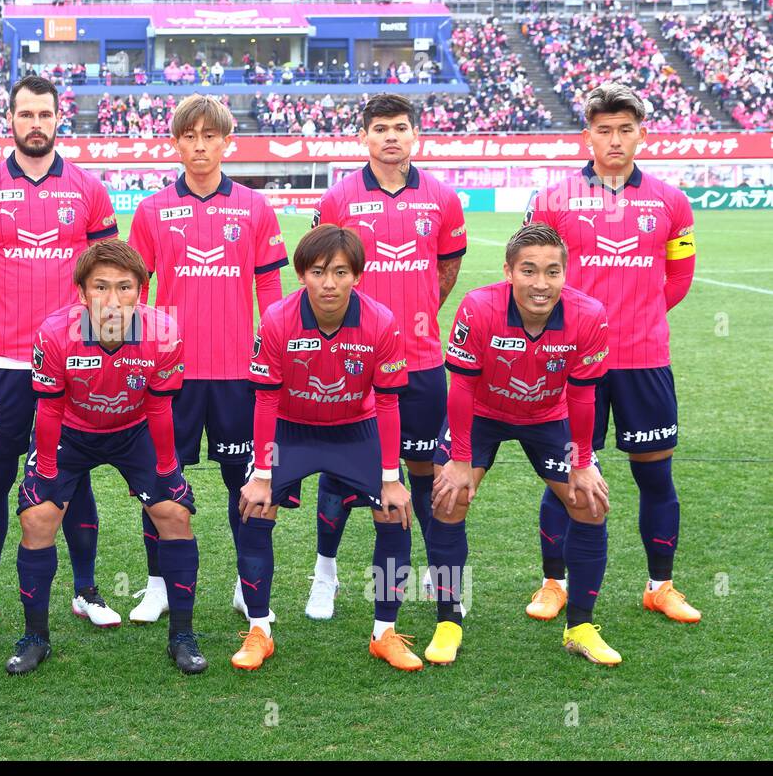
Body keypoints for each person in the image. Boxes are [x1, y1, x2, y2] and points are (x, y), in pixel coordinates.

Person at [525, 82, 699, 624]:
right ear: (588, 136)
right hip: (572, 363)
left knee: (655, 477)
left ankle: (660, 585)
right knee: (566, 475)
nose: (615, 139)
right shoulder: (552, 199)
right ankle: (555, 582)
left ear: (642, 134)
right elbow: (534, 274)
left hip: (645, 361)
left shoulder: (671, 200)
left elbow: (679, 276)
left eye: (626, 129)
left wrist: (636, 316)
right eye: (604, 130)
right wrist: (582, 329)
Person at [0, 76, 120, 632]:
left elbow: (104, 279)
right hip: (1, 361)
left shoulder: (88, 189)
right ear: (11, 120)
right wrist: (4, 314)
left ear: (57, 118)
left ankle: (87, 590)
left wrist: (70, 332)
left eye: (44, 114)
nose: (35, 123)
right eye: (25, 114)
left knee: (72, 476)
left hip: (75, 361)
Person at [127, 95, 287, 625]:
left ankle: (249, 582)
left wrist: (276, 346)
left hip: (239, 374)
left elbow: (270, 285)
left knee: (245, 480)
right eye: (189, 136)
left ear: (226, 141)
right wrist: (139, 355)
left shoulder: (254, 207)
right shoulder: (151, 211)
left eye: (209, 136)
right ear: (175, 143)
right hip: (171, 376)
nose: (200, 146)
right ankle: (158, 586)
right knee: (161, 481)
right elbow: (135, 292)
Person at [9, 241, 204, 675]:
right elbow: (50, 409)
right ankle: (35, 637)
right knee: (37, 518)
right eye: (100, 287)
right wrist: (43, 471)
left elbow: (159, 409)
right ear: (81, 293)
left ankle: (183, 636)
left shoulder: (163, 333)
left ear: (142, 290)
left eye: (124, 287)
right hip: (71, 431)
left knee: (174, 513)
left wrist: (169, 469)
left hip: (133, 430)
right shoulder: (55, 332)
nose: (113, 301)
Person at [427, 223, 616, 666]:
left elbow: (583, 395)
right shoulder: (478, 307)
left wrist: (583, 462)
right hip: (482, 413)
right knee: (448, 498)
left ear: (564, 275)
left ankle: (581, 625)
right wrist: (458, 460)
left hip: (549, 415)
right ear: (508, 271)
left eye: (552, 272)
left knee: (589, 502)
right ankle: (448, 621)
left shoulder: (588, 315)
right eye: (528, 271)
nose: (541, 283)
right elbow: (463, 390)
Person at [237, 225, 418, 672]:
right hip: (290, 429)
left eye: (340, 271)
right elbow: (265, 398)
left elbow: (390, 402)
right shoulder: (278, 319)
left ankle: (385, 633)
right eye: (319, 271)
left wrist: (391, 479)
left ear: (357, 274)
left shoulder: (380, 321)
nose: (330, 283)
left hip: (355, 429)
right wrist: (262, 474)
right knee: (256, 510)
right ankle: (259, 629)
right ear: (302, 275)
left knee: (394, 514)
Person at [312, 94, 466, 619]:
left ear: (415, 135)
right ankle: (324, 574)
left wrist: (416, 314)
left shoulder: (442, 197)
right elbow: (321, 276)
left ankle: (434, 572)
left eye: (400, 127)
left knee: (425, 471)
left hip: (420, 361)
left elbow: (447, 268)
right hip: (352, 361)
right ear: (364, 138)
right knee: (342, 471)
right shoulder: (338, 199)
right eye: (380, 128)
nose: (391, 137)